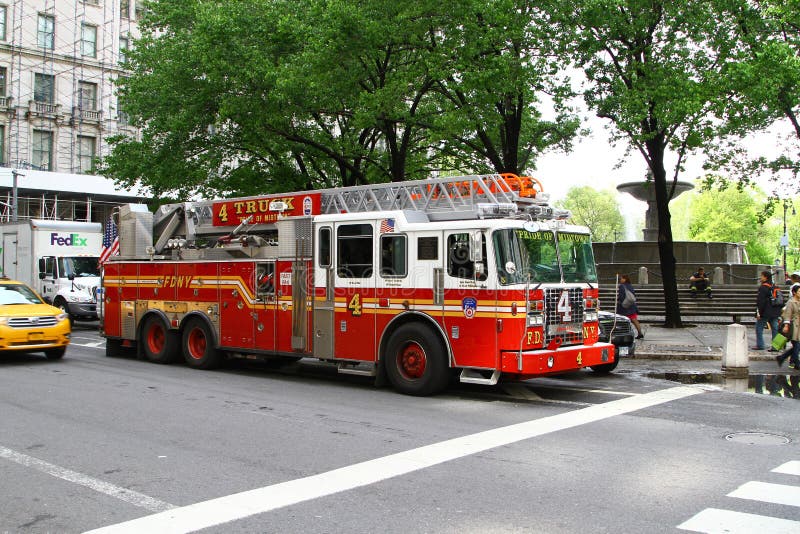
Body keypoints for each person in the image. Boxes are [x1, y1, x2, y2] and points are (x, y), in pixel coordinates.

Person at [754, 270, 782, 351]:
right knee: (775, 329)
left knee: (759, 327)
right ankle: (776, 346)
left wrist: (759, 313)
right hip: (775, 311)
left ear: (765, 277)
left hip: (766, 311)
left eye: (761, 276)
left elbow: (760, 301)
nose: (760, 277)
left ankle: (760, 345)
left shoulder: (763, 287)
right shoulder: (775, 286)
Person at [776, 283, 800, 369]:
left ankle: (782, 357)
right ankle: (797, 363)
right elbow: (787, 314)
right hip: (793, 326)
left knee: (797, 345)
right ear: (794, 292)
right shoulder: (791, 302)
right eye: (799, 291)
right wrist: (786, 325)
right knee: (797, 345)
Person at [617, 273, 644, 339]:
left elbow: (621, 297)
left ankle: (624, 333)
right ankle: (640, 333)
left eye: (621, 278)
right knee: (634, 320)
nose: (620, 280)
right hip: (631, 305)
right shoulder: (630, 285)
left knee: (622, 320)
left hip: (624, 306)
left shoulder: (621, 286)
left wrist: (618, 300)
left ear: (625, 279)